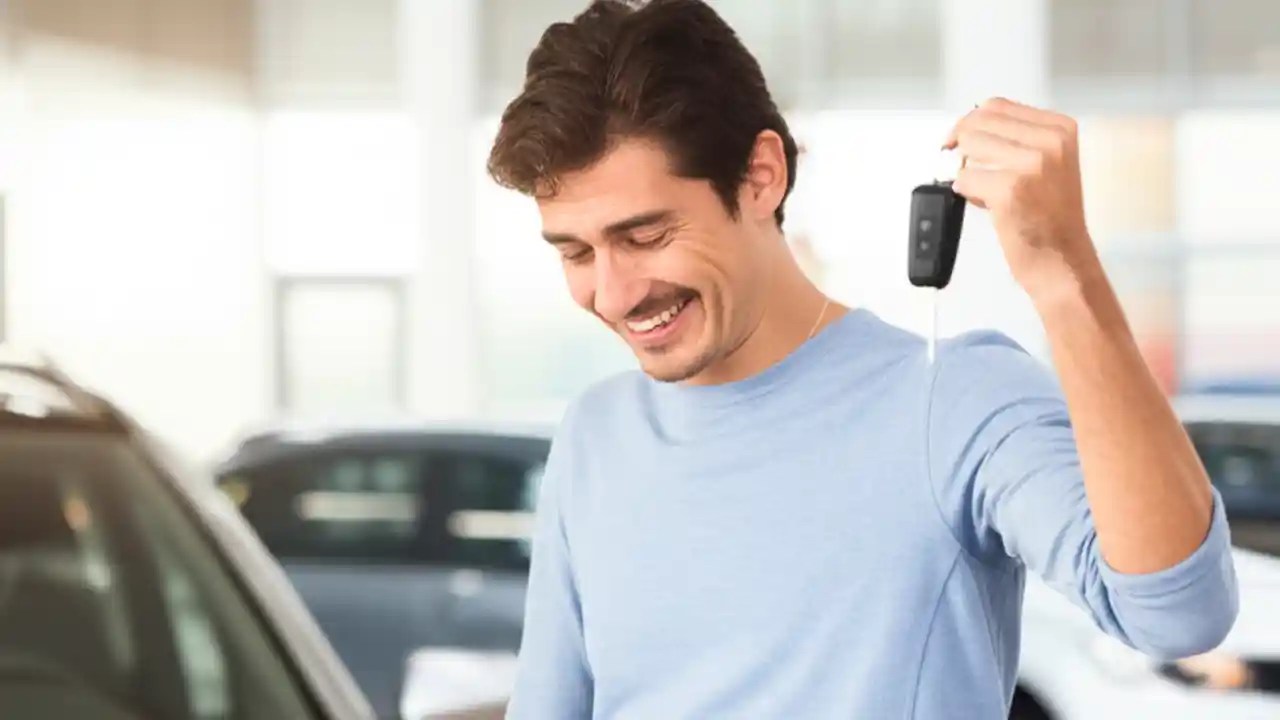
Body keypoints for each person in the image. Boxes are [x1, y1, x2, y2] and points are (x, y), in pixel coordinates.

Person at [485, 2, 1239, 718]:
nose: (612, 294)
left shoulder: (955, 402)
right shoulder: (596, 435)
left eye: (644, 236)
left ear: (760, 178)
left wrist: (1065, 275)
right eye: (577, 252)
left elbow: (1177, 614)